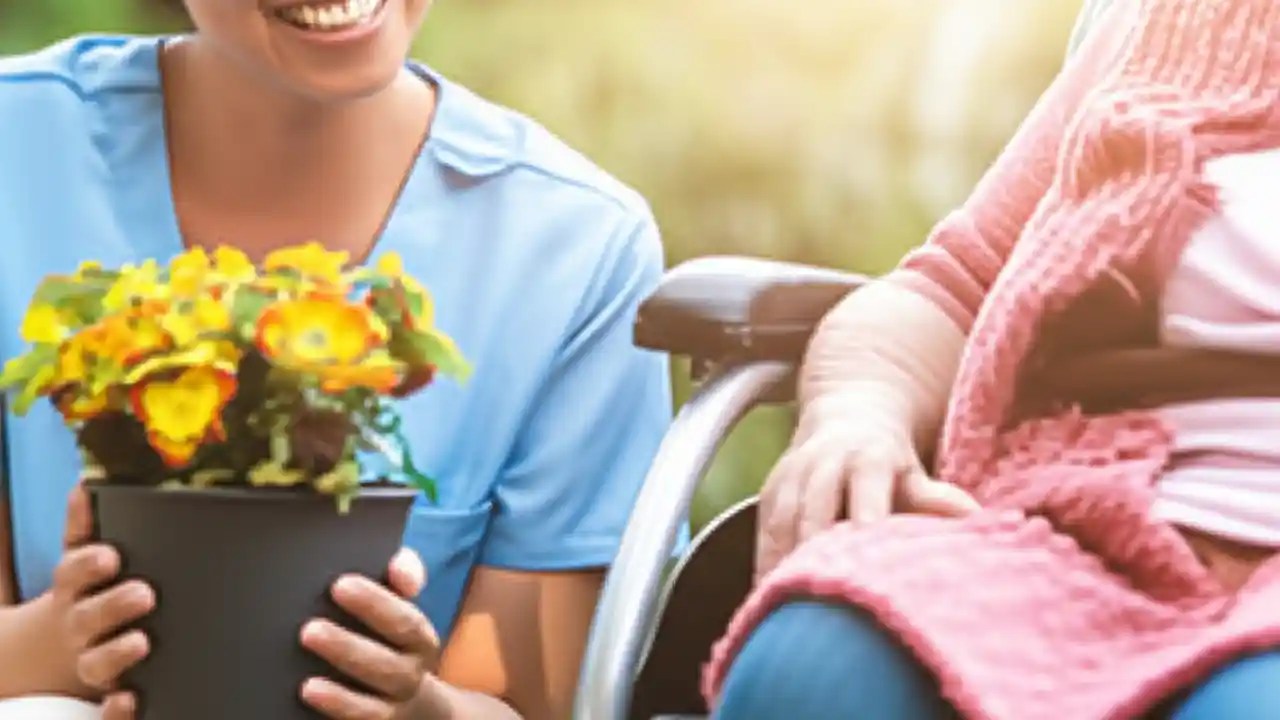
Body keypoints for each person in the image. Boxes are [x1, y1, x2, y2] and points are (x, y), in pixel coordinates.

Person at [0, 0, 673, 718]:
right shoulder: (22, 152)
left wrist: (420, 704)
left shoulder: (575, 249)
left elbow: (536, 703)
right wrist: (70, 636)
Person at [704, 0, 1280, 717]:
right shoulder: (1185, 31)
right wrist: (857, 416)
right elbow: (947, 291)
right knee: (813, 667)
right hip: (1096, 525)